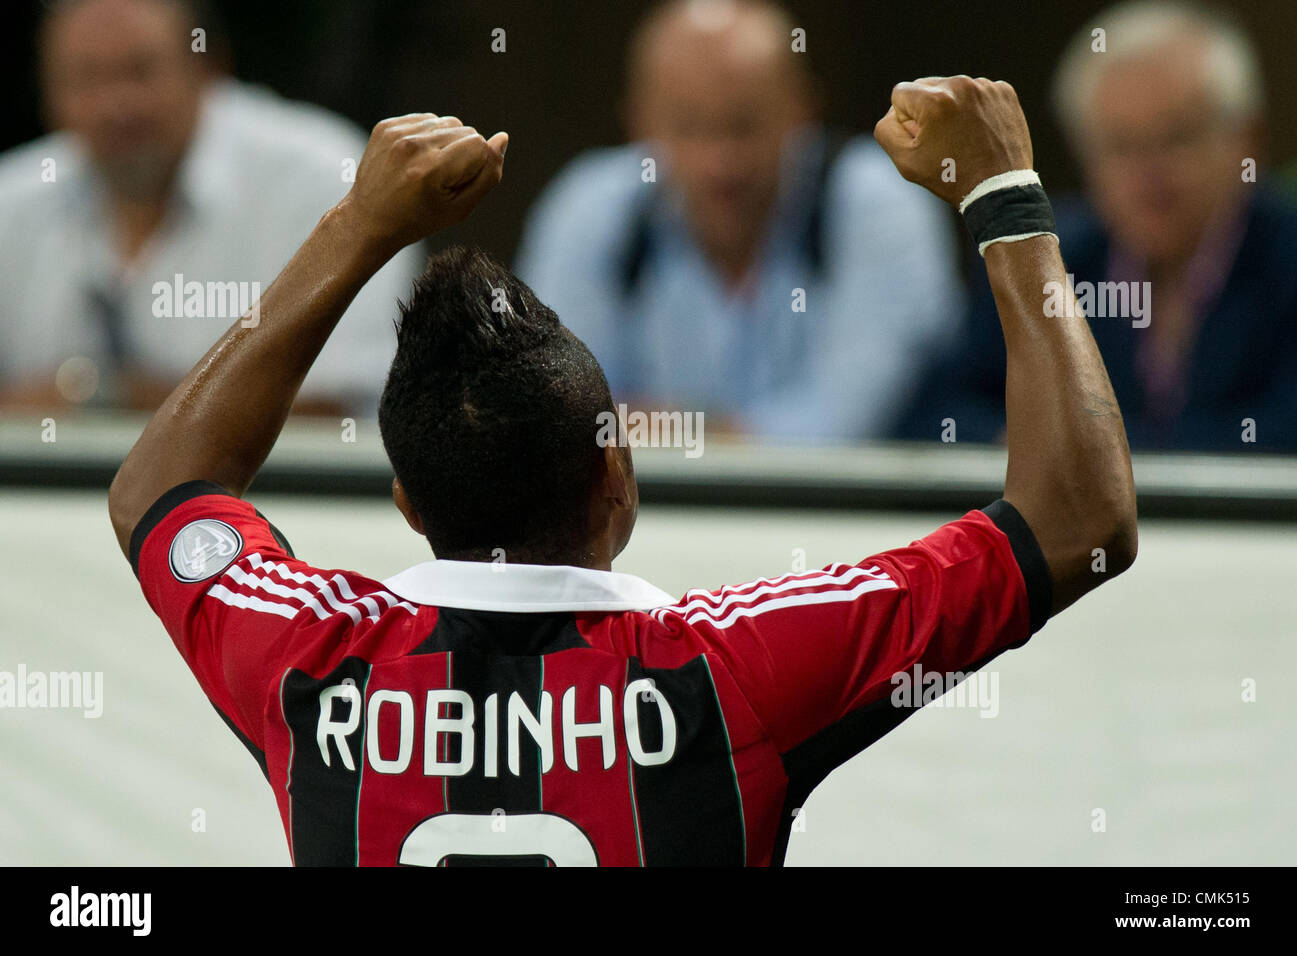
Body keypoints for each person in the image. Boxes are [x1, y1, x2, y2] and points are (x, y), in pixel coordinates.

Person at [108, 80, 1137, 865]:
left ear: (407, 502)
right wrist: (1005, 197)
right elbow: (1079, 516)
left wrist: (358, 227)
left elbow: (162, 486)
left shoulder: (310, 659)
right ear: (618, 472)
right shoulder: (732, 671)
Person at [516, 0, 963, 441]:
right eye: (689, 126)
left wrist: (668, 431)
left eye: (745, 126)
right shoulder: (588, 207)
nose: (720, 162)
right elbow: (563, 419)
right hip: (641, 513)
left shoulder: (875, 200)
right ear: (639, 121)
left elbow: (848, 422)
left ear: (802, 110)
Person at [894, 0, 1297, 452]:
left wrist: (1076, 454)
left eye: (1178, 138)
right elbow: (933, 416)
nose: (1150, 173)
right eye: (1121, 146)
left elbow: (1283, 434)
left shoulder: (1289, 257)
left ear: (1249, 138)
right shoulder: (1041, 254)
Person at [0, 0, 421, 415]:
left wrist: (98, 397)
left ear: (206, 67)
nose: (114, 106)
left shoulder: (325, 178)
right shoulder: (14, 197)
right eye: (86, 78)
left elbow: (335, 408)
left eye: (139, 71)